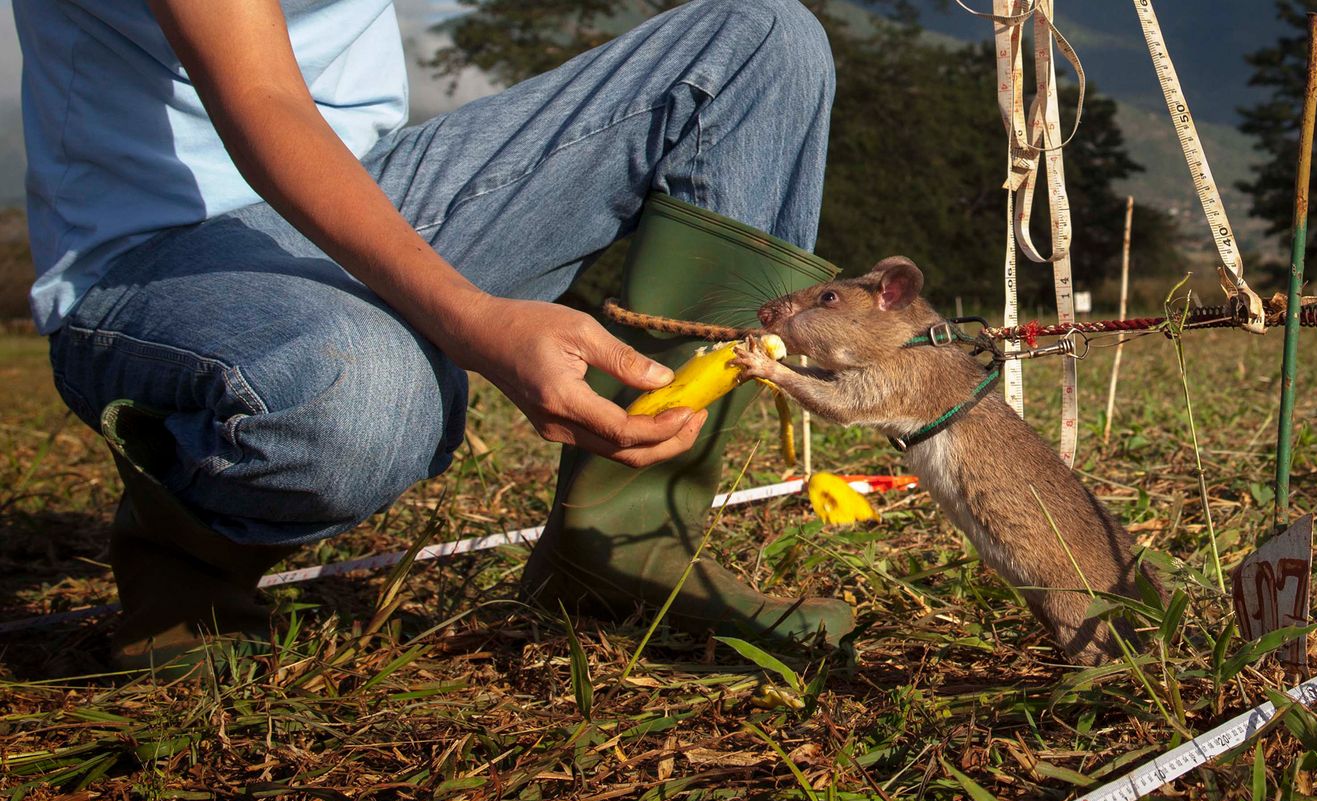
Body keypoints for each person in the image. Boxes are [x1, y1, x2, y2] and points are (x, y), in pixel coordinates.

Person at [19, 0, 855, 671]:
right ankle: (188, 561)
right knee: (363, 396)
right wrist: (474, 318)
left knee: (764, 42)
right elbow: (260, 97)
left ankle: (622, 547)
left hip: (378, 190)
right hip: (164, 252)